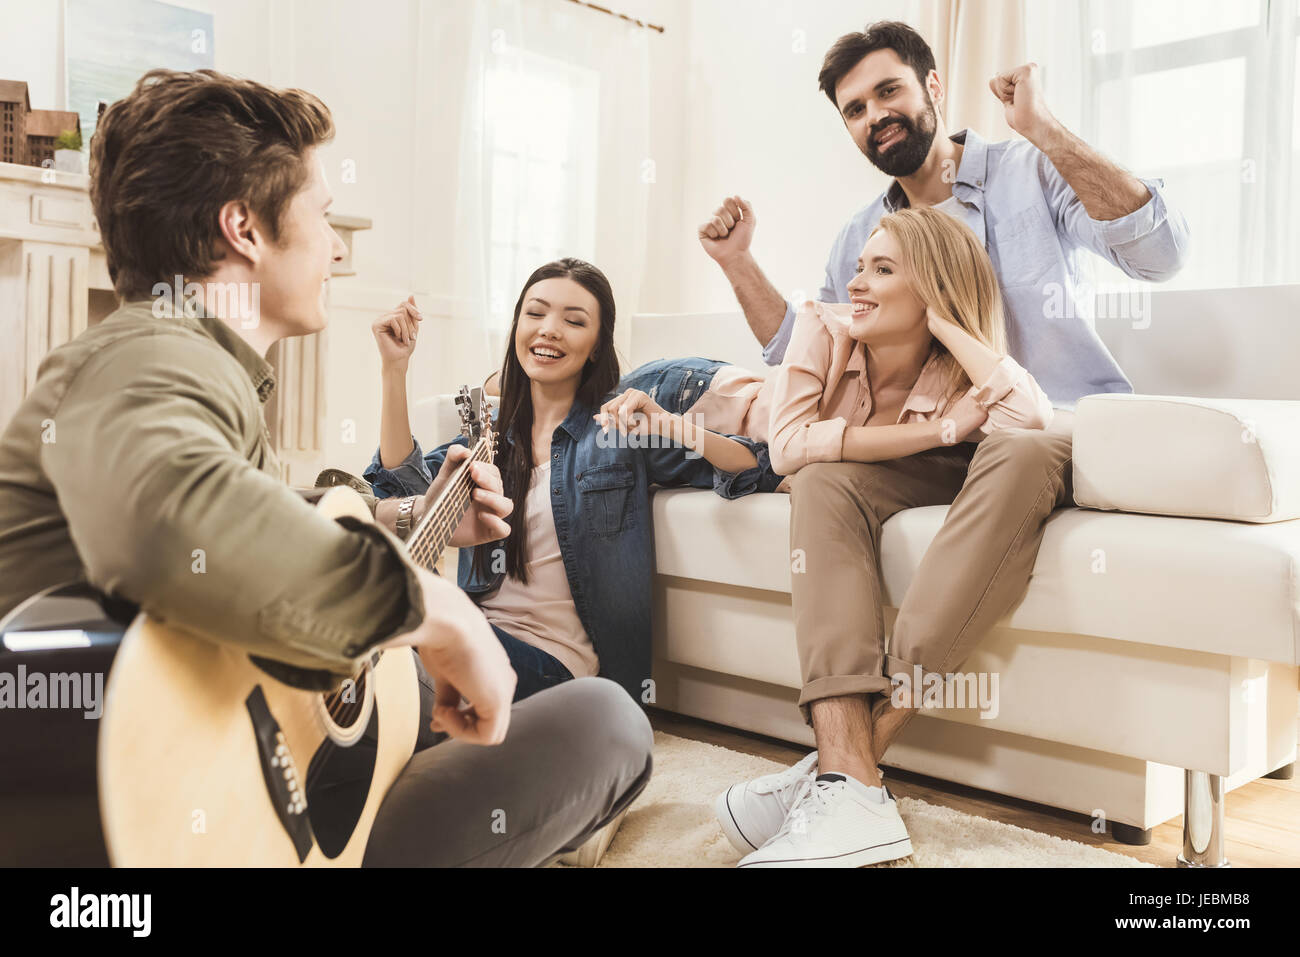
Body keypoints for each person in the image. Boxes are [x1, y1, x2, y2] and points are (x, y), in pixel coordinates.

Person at [0, 69, 652, 868]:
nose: (338, 246)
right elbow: (171, 523)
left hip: (270, 800)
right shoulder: (150, 351)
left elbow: (264, 508)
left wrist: (413, 516)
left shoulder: (191, 367)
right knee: (611, 723)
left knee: (469, 709)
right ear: (243, 227)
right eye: (322, 212)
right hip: (151, 823)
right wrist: (440, 610)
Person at [701, 19, 1189, 868]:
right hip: (935, 437)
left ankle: (843, 767)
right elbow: (802, 353)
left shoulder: (1026, 174)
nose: (873, 116)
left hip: (1040, 428)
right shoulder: (862, 234)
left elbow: (1161, 252)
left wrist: (1043, 127)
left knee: (1022, 446)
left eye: (887, 91)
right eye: (854, 109)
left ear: (932, 86)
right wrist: (739, 264)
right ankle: (849, 780)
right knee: (823, 478)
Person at [364, 258, 769, 704]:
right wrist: (394, 369)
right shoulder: (491, 439)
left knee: (413, 620)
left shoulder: (618, 431)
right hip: (479, 641)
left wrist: (671, 424)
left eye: (574, 321)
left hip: (559, 672)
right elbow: (400, 492)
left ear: (597, 345)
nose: (549, 329)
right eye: (535, 314)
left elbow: (752, 465)